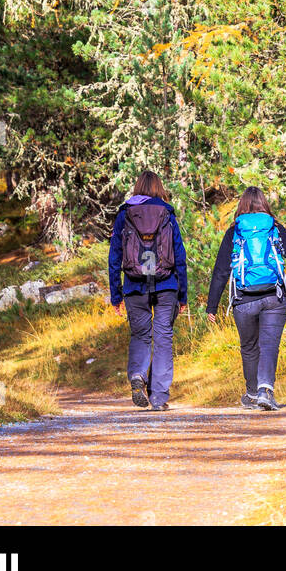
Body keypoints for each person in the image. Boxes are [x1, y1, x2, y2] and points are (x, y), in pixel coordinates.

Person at [206, 186, 286, 411]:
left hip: (243, 299)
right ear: (264, 204)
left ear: (241, 205)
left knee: (249, 347)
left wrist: (212, 305)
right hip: (274, 296)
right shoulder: (274, 226)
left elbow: (221, 269)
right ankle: (264, 391)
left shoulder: (235, 230)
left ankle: (252, 393)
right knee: (269, 345)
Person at [109, 170, 187, 411]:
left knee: (141, 335)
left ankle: (137, 374)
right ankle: (159, 397)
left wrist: (116, 294)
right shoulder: (167, 212)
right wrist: (182, 293)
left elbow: (115, 255)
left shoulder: (124, 213)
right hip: (166, 285)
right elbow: (179, 254)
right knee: (163, 338)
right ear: (159, 187)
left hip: (134, 284)